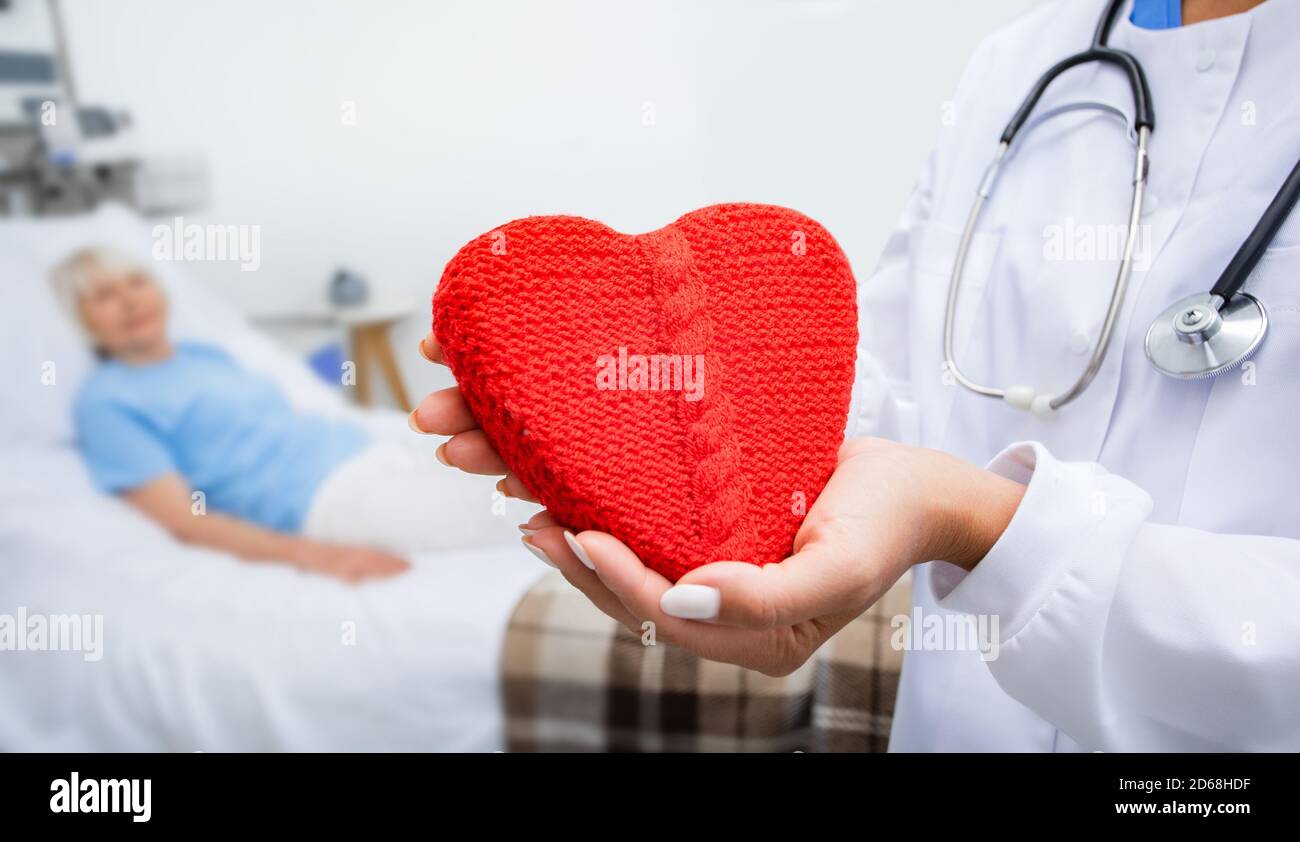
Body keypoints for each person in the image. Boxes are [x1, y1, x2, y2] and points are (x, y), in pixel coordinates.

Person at [411, 0, 1300, 751]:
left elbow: (937, 484)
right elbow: (892, 391)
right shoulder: (1026, 65)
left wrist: (982, 525)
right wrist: (625, 407)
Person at [54, 246, 489, 583]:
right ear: (81, 319)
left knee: (523, 476)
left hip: (374, 453)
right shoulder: (107, 402)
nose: (130, 301)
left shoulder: (204, 355)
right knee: (508, 517)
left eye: (136, 282)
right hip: (325, 501)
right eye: (105, 295)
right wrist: (321, 558)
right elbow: (184, 520)